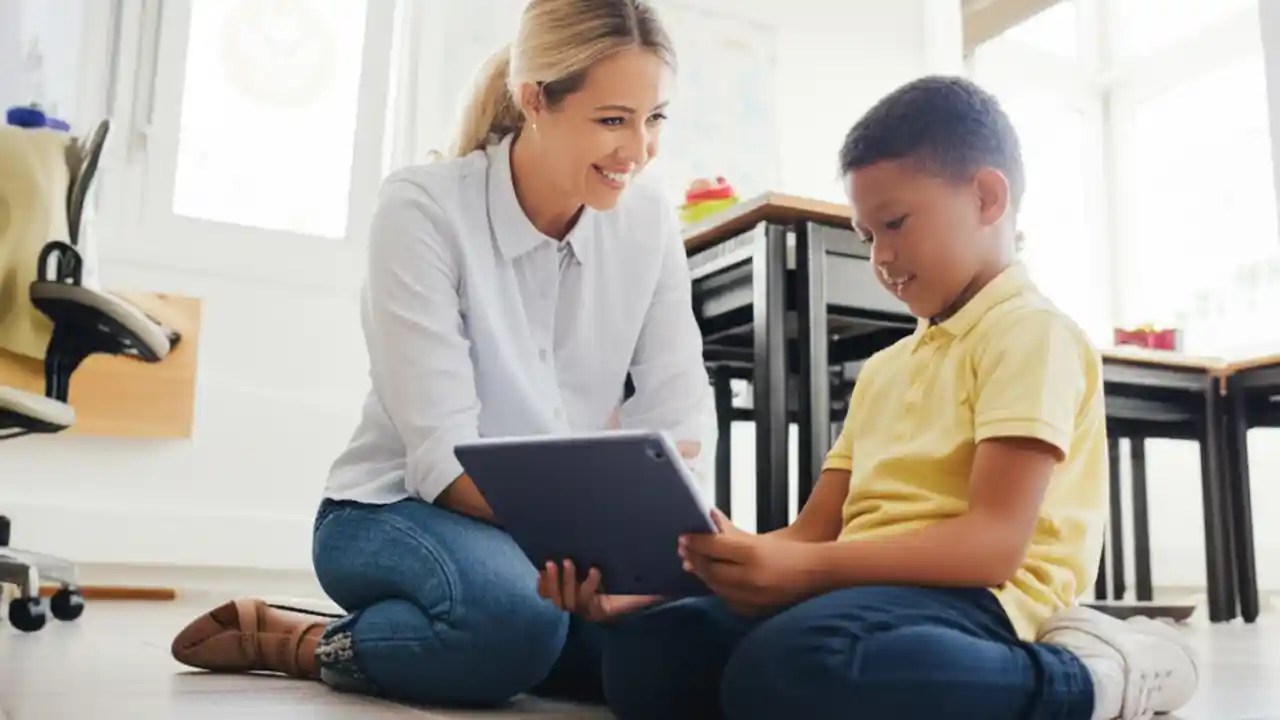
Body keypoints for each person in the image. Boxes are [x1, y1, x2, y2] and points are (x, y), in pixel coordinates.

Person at [544, 77, 1200, 720]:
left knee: (793, 669)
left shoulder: (1031, 332)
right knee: (647, 660)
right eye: (867, 237)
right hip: (866, 587)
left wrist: (804, 572)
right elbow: (812, 534)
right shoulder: (887, 369)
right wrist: (712, 562)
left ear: (987, 197)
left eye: (896, 224)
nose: (881, 258)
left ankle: (1089, 681)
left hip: (980, 596)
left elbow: (992, 545)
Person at [169, 0, 715, 708]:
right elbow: (443, 454)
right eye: (613, 120)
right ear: (534, 101)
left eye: (655, 119)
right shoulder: (422, 210)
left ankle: (493, 640)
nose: (638, 151)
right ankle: (312, 641)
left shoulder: (647, 220)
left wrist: (654, 557)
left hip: (552, 538)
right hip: (398, 508)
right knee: (513, 619)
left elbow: (682, 412)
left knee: (689, 638)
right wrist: (588, 545)